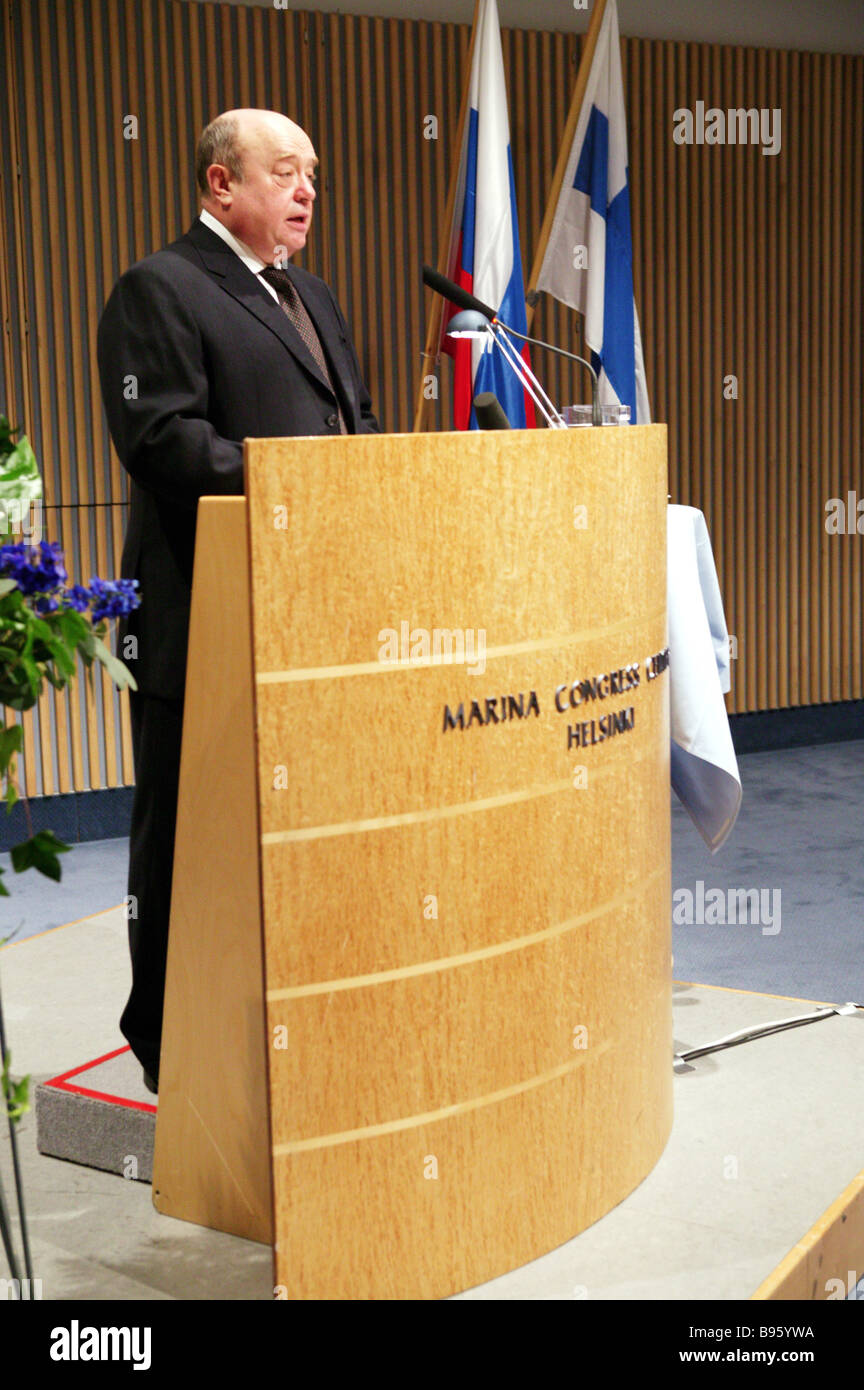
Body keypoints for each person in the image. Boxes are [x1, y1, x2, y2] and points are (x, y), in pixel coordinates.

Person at [97, 109, 379, 1093]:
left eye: (313, 175)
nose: (307, 191)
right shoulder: (160, 288)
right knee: (184, 835)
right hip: (203, 623)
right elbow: (163, 442)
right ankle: (172, 1047)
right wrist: (301, 479)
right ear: (222, 185)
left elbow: (357, 427)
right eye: (286, 172)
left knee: (306, 832)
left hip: (315, 619)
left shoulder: (312, 295)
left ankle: (297, 1016)